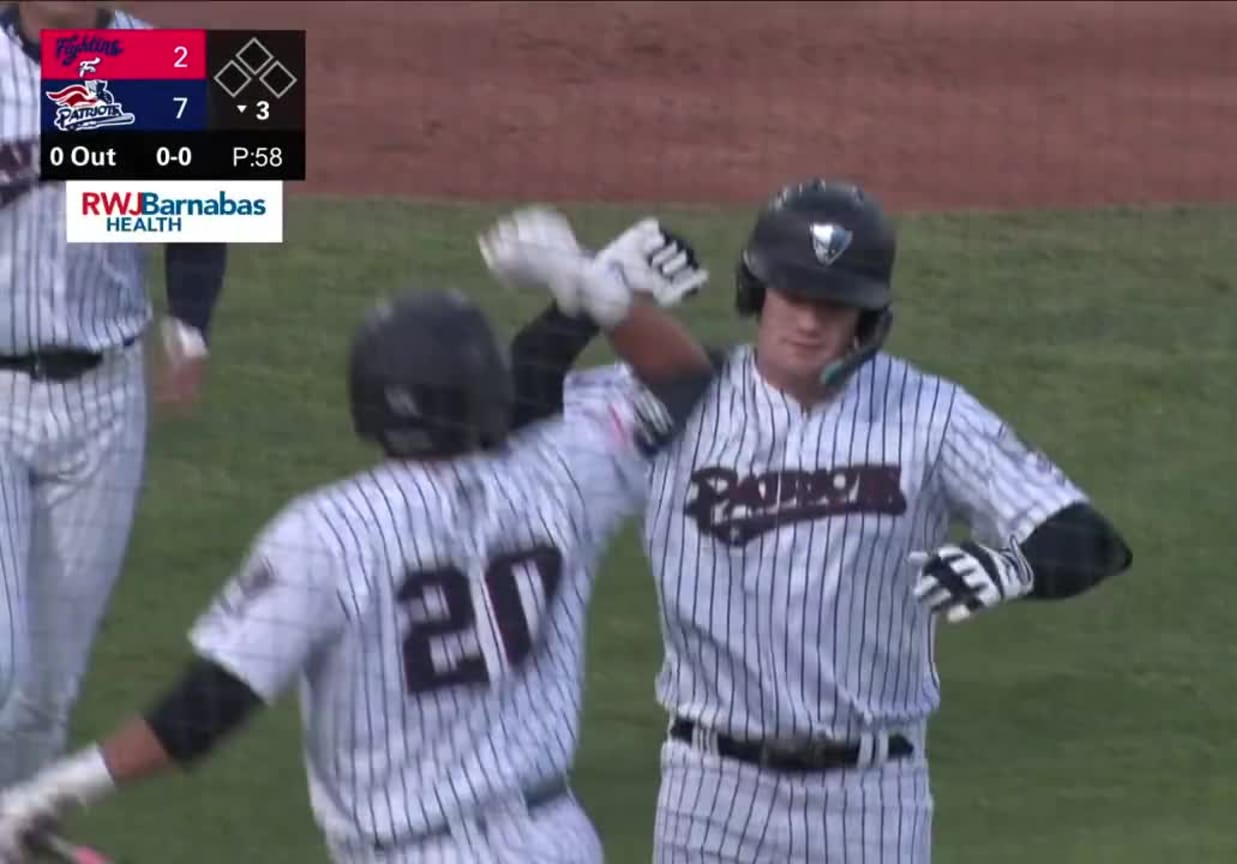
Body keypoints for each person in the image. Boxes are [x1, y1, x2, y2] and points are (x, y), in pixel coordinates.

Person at [0, 209, 715, 863]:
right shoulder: (567, 479)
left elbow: (207, 709)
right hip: (554, 840)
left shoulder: (327, 534)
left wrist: (52, 791)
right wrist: (596, 294)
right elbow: (683, 379)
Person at [543, 179, 1135, 862]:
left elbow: (1092, 539)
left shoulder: (930, 414)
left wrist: (1015, 565)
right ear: (755, 294)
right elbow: (506, 410)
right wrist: (587, 298)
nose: (810, 322)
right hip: (710, 791)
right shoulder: (681, 395)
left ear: (869, 317)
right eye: (794, 296)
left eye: (837, 305)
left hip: (873, 797)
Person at [1, 0, 227, 817]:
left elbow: (203, 209)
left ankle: (9, 828)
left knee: (46, 690)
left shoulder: (155, 65)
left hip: (104, 400)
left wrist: (192, 327)